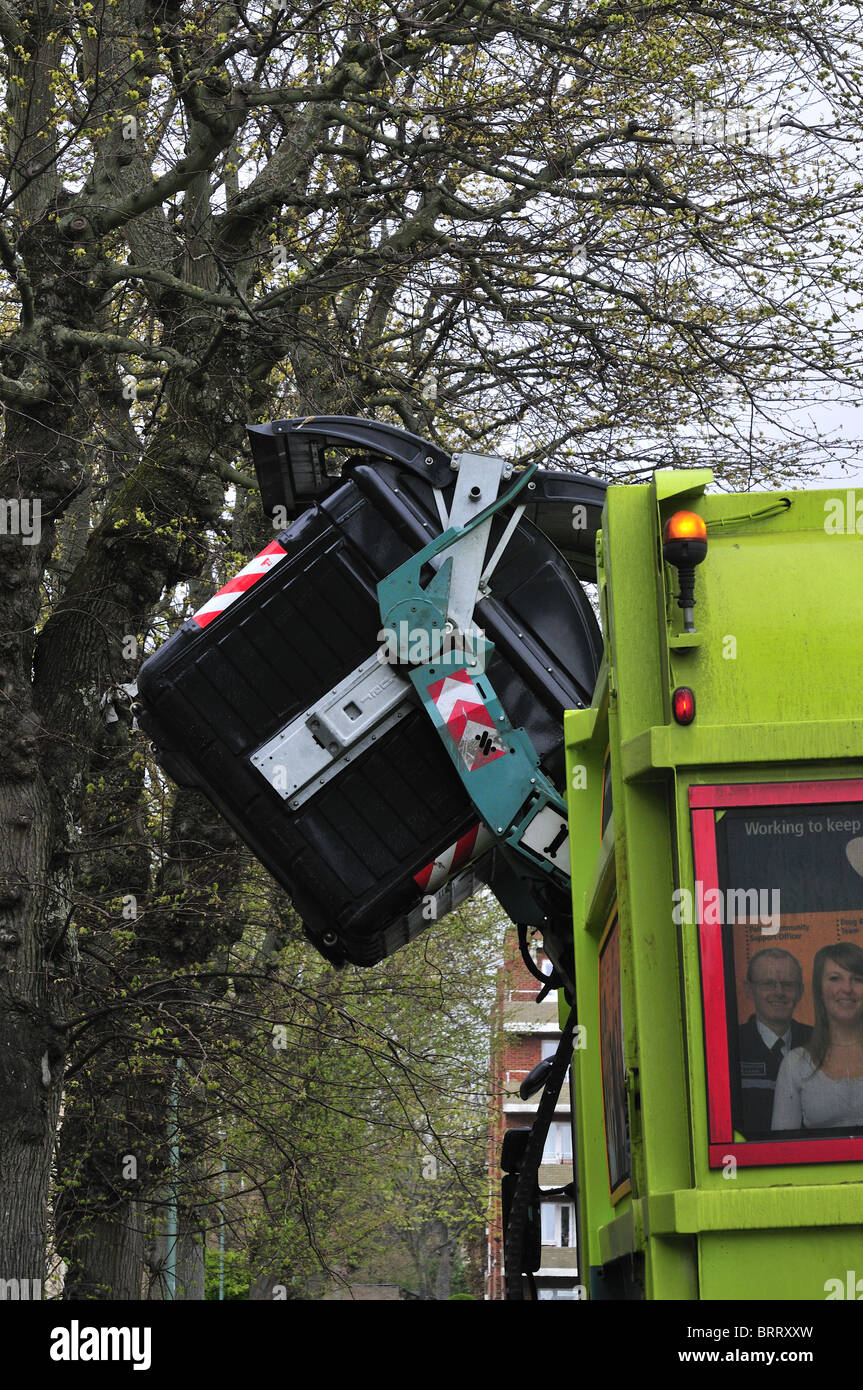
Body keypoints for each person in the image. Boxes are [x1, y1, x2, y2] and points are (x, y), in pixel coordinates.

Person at [772, 942, 863, 1131]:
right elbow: (782, 1150)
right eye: (835, 978)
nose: (847, 988)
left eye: (857, 979)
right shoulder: (795, 1064)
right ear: (819, 990)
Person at [737, 948, 812, 1135]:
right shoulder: (731, 1045)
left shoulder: (820, 1042)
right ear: (748, 989)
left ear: (800, 991)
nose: (779, 992)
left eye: (788, 984)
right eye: (768, 984)